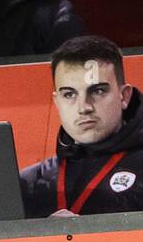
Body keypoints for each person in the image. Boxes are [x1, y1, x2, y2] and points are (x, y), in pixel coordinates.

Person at [20, 35, 142, 218]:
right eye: (69, 94)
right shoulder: (28, 184)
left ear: (124, 96)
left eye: (98, 91)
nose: (84, 107)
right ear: (57, 102)